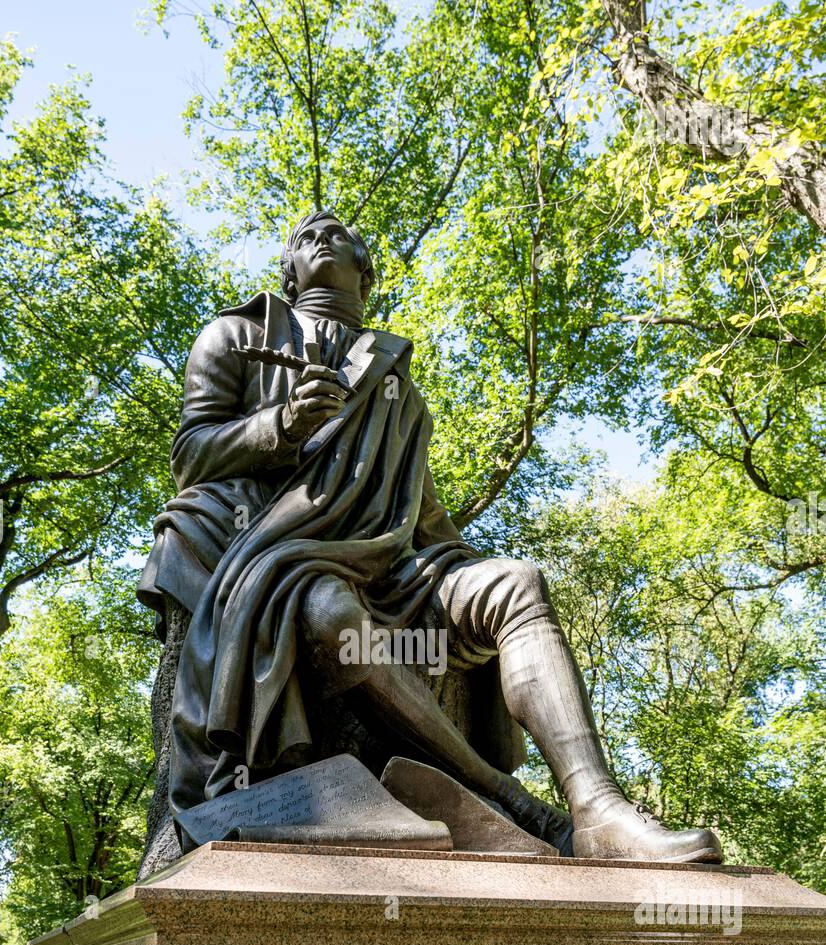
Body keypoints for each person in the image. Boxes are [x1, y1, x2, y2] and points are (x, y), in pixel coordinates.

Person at [139, 210, 721, 864]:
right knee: (329, 608)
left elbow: (424, 521)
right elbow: (191, 454)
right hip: (279, 565)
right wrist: (283, 424)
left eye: (339, 233)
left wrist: (470, 589)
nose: (320, 234)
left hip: (390, 574)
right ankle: (513, 804)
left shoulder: (397, 386)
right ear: (290, 269)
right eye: (304, 236)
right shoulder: (237, 336)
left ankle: (600, 809)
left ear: (367, 270)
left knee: (517, 584)